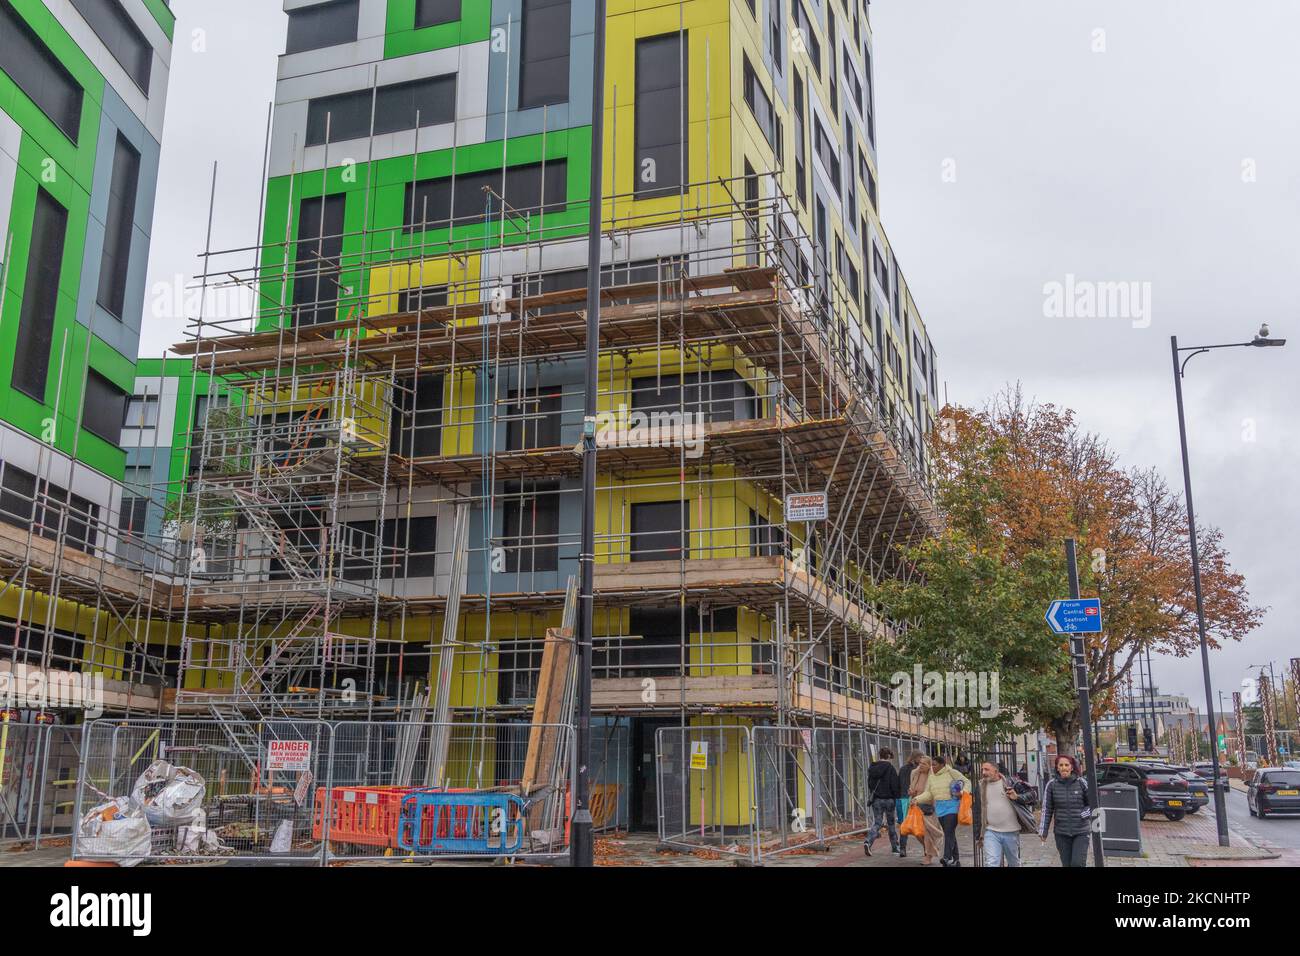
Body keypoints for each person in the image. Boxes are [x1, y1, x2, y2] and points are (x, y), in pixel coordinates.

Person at [914, 754, 971, 867]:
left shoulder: (951, 772)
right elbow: (928, 793)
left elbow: (967, 782)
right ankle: (956, 860)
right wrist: (917, 799)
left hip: (952, 806)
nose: (932, 767)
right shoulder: (931, 777)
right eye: (932, 765)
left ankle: (946, 856)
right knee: (950, 833)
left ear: (942, 765)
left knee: (949, 831)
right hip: (939, 808)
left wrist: (963, 792)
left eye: (935, 765)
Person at [1039, 754, 1091, 867]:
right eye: (1061, 765)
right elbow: (1046, 810)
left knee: (1077, 863)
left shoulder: (1082, 782)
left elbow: (1094, 804)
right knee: (1067, 864)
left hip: (1081, 831)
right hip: (1061, 832)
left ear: (1072, 767)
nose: (1064, 768)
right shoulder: (1051, 785)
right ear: (1057, 768)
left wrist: (1084, 814)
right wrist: (1043, 831)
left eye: (1066, 765)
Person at [978, 761, 1030, 867]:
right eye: (982, 769)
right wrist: (978, 832)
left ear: (996, 771)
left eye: (986, 769)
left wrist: (1017, 797)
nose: (983, 772)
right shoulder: (980, 786)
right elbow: (977, 809)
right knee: (991, 862)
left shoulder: (1011, 782)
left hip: (1010, 831)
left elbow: (1032, 794)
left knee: (1014, 862)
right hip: (990, 831)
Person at [864, 747, 901, 855]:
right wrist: (896, 796)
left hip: (876, 799)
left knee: (877, 822)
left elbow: (870, 784)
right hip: (889, 799)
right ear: (889, 756)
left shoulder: (872, 767)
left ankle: (868, 841)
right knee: (891, 824)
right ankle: (895, 847)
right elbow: (894, 785)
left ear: (880, 755)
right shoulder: (890, 768)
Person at [908, 755, 940, 865]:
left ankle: (928, 856)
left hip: (929, 807)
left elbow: (934, 792)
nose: (921, 765)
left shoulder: (934, 776)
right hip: (915, 807)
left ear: (929, 765)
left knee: (927, 833)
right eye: (920, 763)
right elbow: (912, 788)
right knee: (916, 832)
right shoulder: (915, 774)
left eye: (924, 764)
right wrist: (911, 792)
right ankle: (928, 849)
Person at [896, 752, 923, 859]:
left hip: (902, 798)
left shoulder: (902, 769)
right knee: (920, 823)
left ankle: (902, 848)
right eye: (920, 757)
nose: (921, 759)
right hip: (914, 798)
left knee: (904, 824)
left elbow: (898, 784)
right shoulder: (918, 770)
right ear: (915, 758)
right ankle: (926, 848)